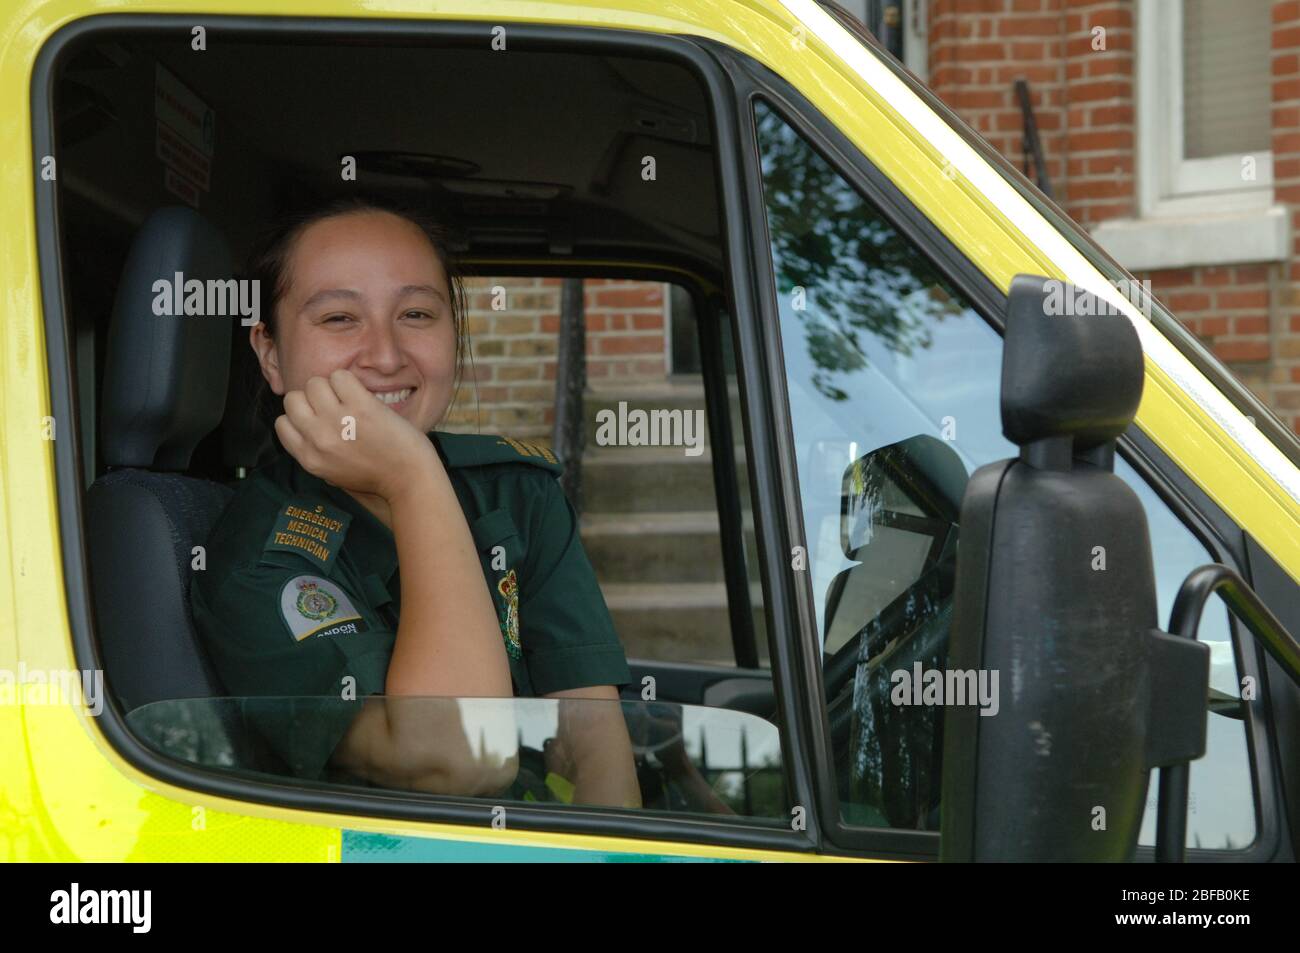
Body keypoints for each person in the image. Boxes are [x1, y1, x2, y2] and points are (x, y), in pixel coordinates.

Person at [189, 196, 640, 808]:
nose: (386, 355)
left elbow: (593, 753)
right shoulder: (256, 564)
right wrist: (413, 478)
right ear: (270, 353)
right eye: (340, 319)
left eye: (418, 313)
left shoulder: (517, 492)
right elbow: (458, 762)